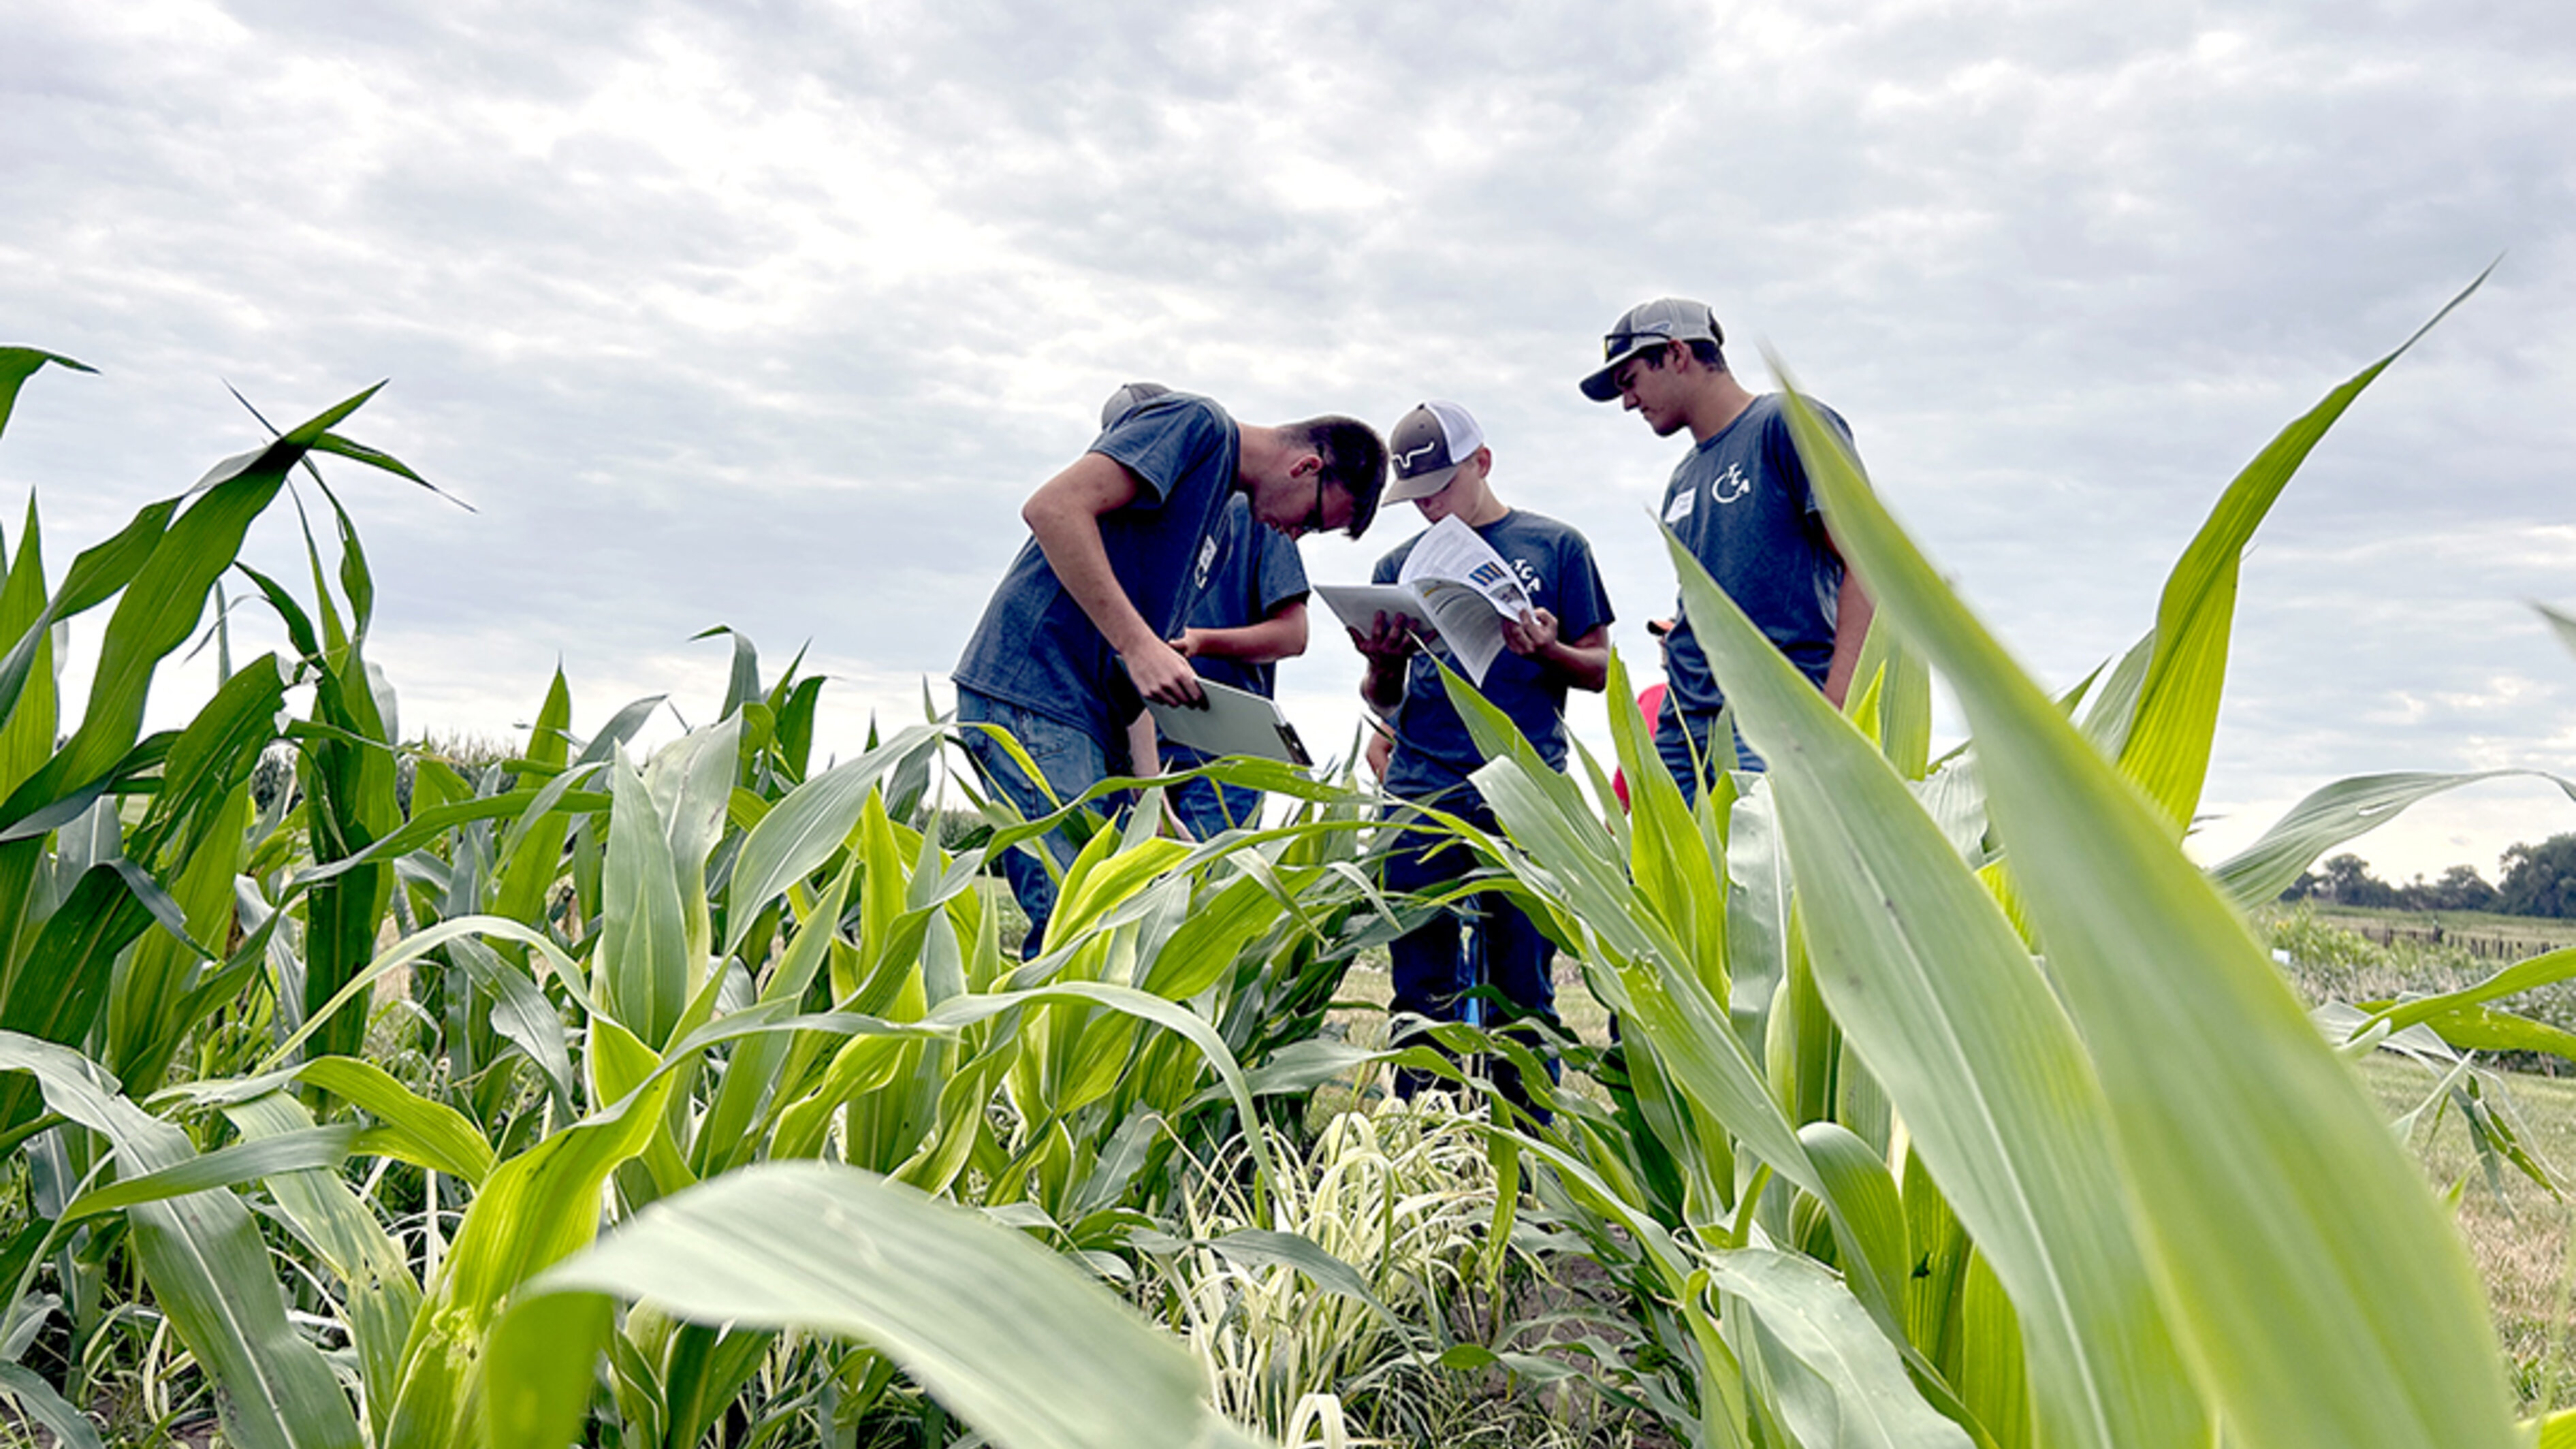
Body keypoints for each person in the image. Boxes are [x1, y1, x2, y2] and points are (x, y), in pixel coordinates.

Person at [955, 387, 1387, 956]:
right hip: (1037, 695)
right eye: (1310, 520)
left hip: (1089, 719)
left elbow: (1144, 673)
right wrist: (1137, 644)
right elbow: (1053, 508)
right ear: (1307, 466)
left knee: (1107, 933)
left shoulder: (1221, 531)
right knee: (1072, 929)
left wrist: (1153, 796)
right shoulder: (1197, 425)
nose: (1295, 535)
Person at [1351, 400, 1612, 1121]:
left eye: (1440, 486)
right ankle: (1426, 1146)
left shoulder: (1558, 547)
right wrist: (1381, 665)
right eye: (1417, 496)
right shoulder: (1395, 566)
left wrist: (1548, 649)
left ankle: (1525, 1154)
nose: (1430, 507)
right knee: (1419, 983)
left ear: (1483, 463)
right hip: (1420, 785)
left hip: (1522, 788)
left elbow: (1599, 672)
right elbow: (1384, 697)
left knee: (1522, 986)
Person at [1581, 298, 1874, 803]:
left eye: (1630, 381)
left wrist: (1837, 712)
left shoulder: (1785, 426)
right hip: (1682, 730)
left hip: (1776, 718)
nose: (1627, 402)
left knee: (1765, 879)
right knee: (1657, 877)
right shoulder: (1682, 480)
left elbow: (1869, 566)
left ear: (1675, 354)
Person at [1101, 385, 1313, 841]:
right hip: (1142, 738)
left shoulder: (1258, 512)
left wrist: (1199, 641)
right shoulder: (1121, 520)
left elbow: (1293, 634)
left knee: (1212, 892)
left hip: (1225, 743)